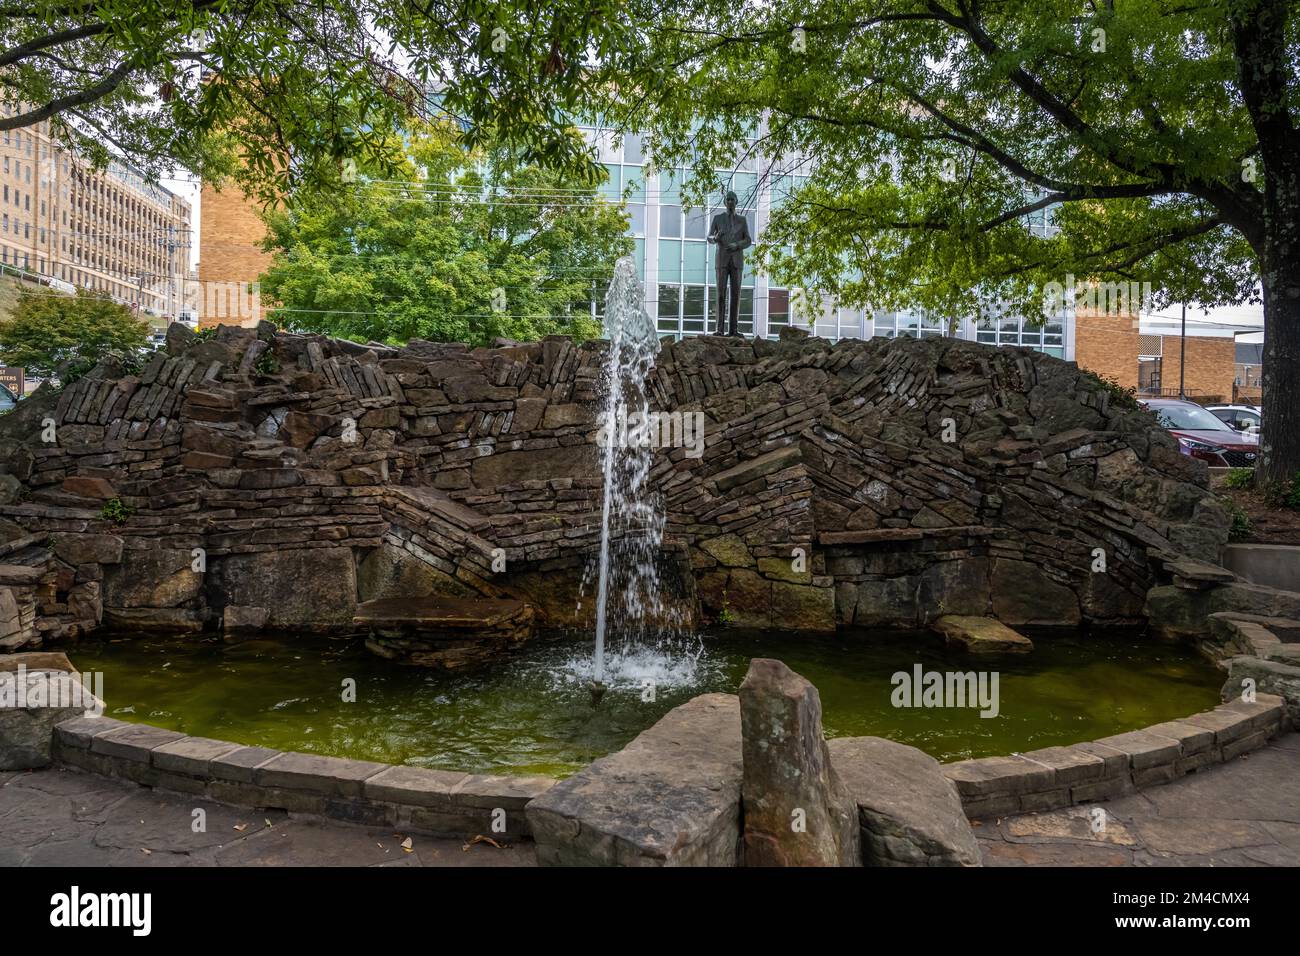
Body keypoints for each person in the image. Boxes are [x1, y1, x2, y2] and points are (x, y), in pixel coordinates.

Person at [707, 190, 752, 336]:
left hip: (737, 261)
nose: (730, 202)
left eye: (733, 199)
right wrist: (715, 238)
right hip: (722, 260)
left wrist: (737, 245)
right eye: (728, 199)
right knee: (721, 294)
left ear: (736, 202)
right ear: (725, 202)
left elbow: (748, 240)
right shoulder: (718, 218)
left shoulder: (742, 220)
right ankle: (719, 329)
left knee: (736, 295)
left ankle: (733, 330)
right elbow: (709, 237)